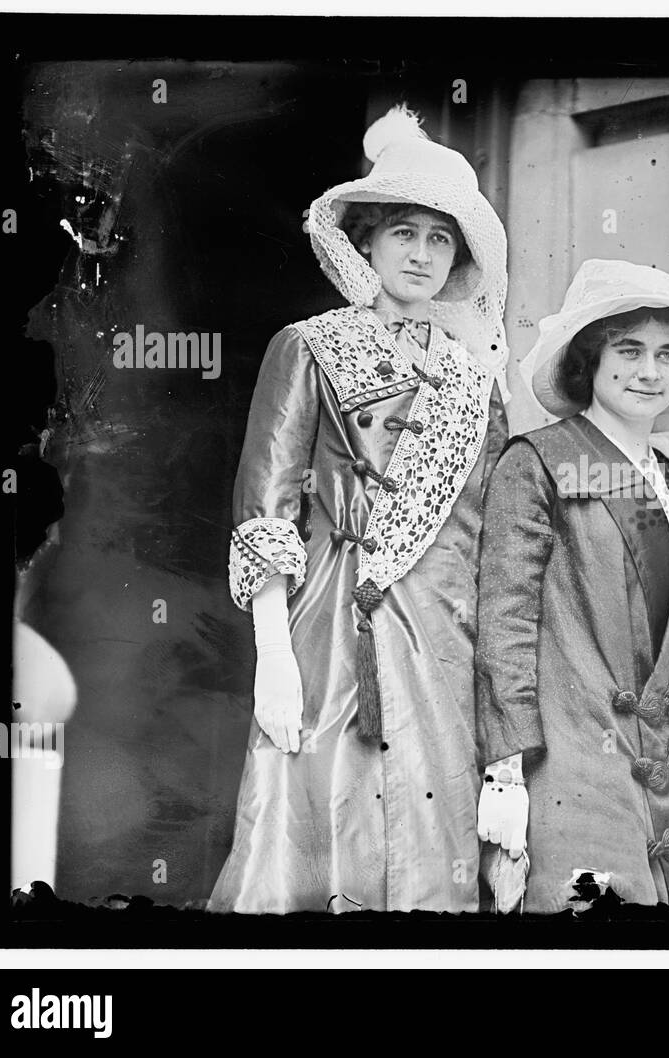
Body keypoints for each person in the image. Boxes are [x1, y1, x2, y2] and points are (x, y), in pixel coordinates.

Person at [209, 106, 509, 914]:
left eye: (440, 239)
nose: (420, 254)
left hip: (443, 637)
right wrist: (274, 652)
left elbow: (489, 542)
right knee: (311, 825)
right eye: (404, 232)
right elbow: (267, 502)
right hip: (333, 620)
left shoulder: (477, 381)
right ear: (368, 241)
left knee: (432, 840)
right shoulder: (306, 345)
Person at [474, 259, 669, 914]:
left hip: (664, 781)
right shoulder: (537, 463)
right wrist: (505, 774)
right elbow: (505, 624)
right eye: (630, 351)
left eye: (668, 355)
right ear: (590, 359)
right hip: (569, 768)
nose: (651, 372)